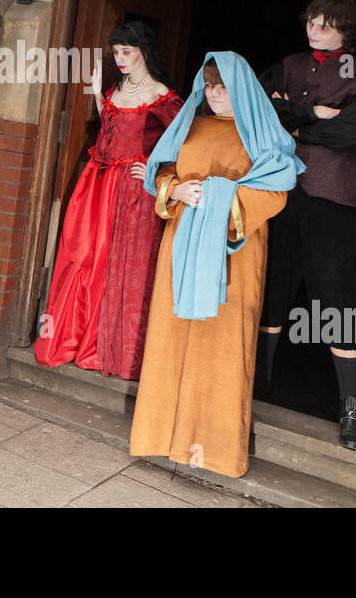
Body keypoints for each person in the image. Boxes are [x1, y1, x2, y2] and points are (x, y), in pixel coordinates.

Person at [129, 52, 301, 479]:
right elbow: (163, 172)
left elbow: (277, 191)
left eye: (223, 86)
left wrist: (221, 201)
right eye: (208, 86)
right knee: (171, 336)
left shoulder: (261, 134)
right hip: (182, 247)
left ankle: (217, 451)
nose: (215, 94)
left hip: (233, 255)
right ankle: (160, 437)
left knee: (223, 344)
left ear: (241, 88)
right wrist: (178, 190)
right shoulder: (189, 126)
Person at [258, 0, 356, 452]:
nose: (315, 30)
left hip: (336, 197)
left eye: (326, 24)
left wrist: (291, 123)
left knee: (341, 300)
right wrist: (308, 114)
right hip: (279, 190)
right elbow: (256, 111)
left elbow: (348, 132)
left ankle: (351, 408)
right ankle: (260, 383)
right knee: (270, 284)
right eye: (311, 21)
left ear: (347, 31)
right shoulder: (287, 63)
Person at [34, 21, 182, 378]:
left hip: (131, 193)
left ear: (143, 51)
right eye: (116, 52)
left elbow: (178, 144)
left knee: (123, 264)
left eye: (126, 51)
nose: (120, 58)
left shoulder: (162, 95)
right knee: (86, 257)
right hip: (99, 184)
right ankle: (77, 337)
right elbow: (109, 127)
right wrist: (97, 93)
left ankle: (113, 348)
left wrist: (148, 168)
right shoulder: (118, 88)